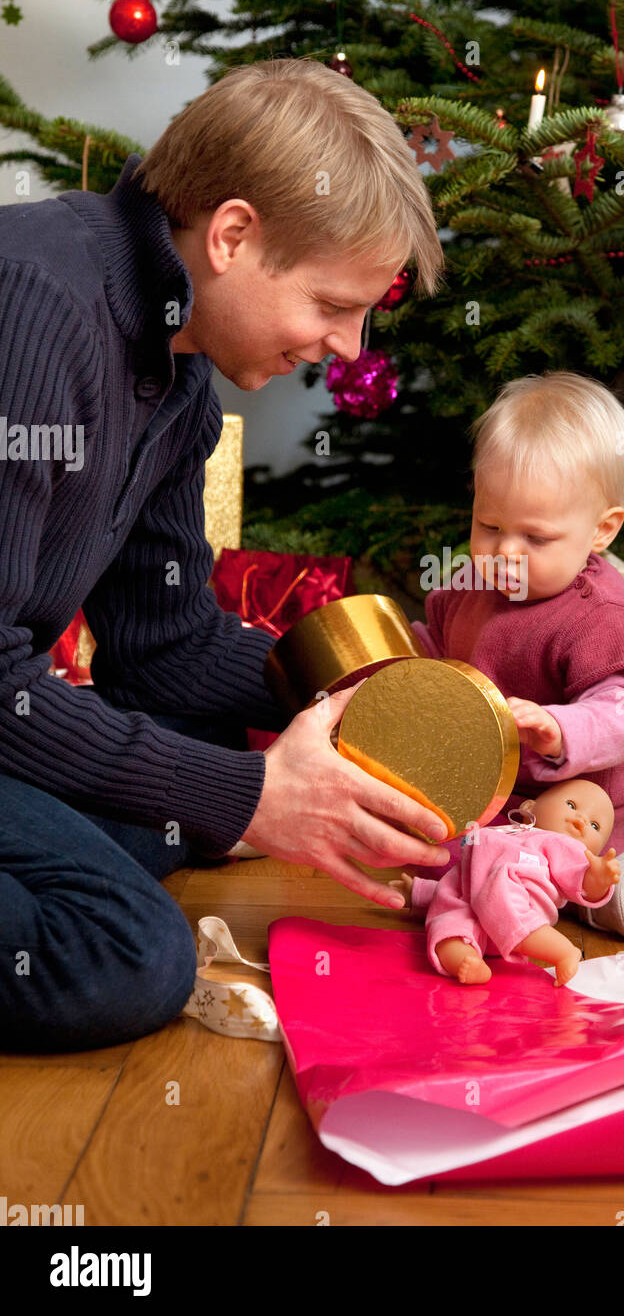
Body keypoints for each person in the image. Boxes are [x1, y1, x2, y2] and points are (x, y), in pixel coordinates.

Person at [0, 58, 451, 1053]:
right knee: (127, 951)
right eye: (333, 305)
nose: (347, 344)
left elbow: (163, 647)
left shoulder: (182, 373)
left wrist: (393, 702)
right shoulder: (36, 303)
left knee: (173, 815)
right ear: (233, 235)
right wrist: (252, 794)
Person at [404, 371, 624, 943]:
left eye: (536, 538)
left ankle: (606, 894)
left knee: (581, 872)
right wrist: (405, 665)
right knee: (438, 853)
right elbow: (440, 644)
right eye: (489, 526)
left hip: (578, 807)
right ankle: (474, 886)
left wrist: (562, 729)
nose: (505, 553)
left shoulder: (600, 618)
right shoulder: (473, 581)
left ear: (602, 530)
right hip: (496, 796)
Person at [398, 778, 620, 988]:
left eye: (594, 826)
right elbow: (460, 882)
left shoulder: (562, 845)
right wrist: (418, 892)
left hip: (516, 903)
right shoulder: (501, 834)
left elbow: (579, 878)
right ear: (529, 807)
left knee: (508, 899)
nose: (581, 821)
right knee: (446, 929)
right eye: (571, 804)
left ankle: (563, 951)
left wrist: (596, 878)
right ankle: (467, 961)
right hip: (470, 907)